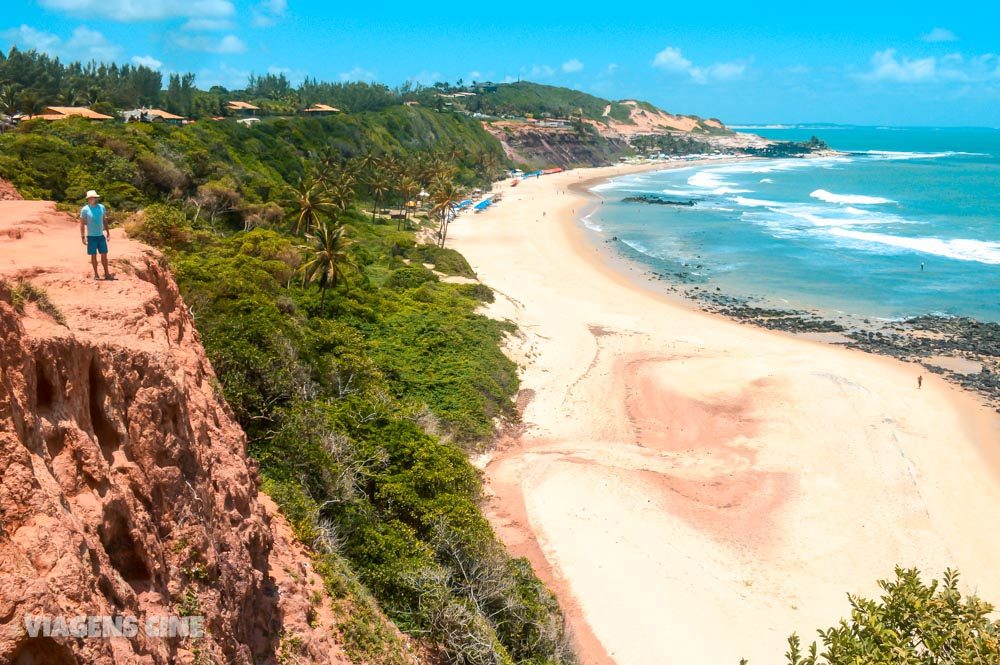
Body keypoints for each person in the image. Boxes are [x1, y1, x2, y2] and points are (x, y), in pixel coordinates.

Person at [80, 190, 112, 280]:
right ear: (88, 199)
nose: (92, 199)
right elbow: (81, 224)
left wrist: (108, 232)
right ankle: (96, 274)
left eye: (93, 197)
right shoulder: (85, 209)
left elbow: (104, 220)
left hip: (100, 235)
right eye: (90, 198)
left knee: (104, 255)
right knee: (93, 255)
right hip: (91, 237)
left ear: (96, 198)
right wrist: (83, 237)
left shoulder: (101, 207)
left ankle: (107, 274)